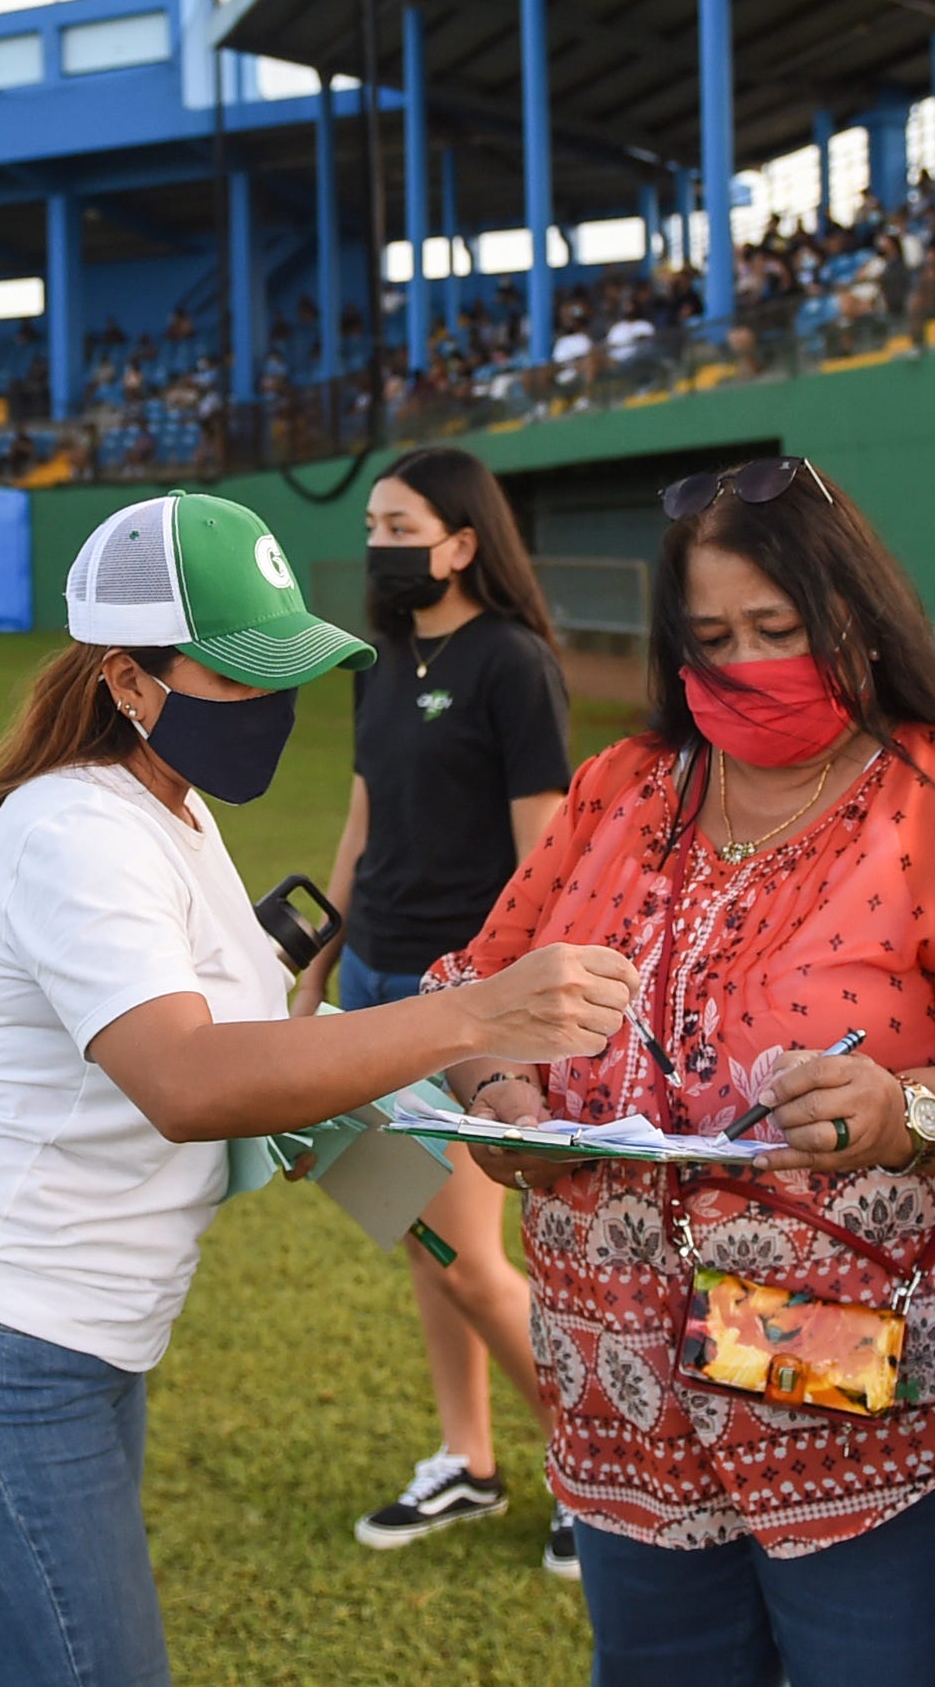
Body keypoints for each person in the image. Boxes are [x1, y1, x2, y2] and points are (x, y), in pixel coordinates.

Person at [0, 491, 638, 1687]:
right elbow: (188, 1081)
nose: (272, 709)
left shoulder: (176, 811)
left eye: (287, 677)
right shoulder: (76, 830)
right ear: (126, 681)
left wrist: (480, 1138)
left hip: (57, 1340)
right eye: (237, 680)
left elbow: (281, 1077)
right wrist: (472, 1014)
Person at [430, 458, 935, 1687]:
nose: (746, 661)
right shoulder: (621, 793)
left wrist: (904, 1114)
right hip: (625, 1397)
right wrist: (501, 1096)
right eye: (711, 636)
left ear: (856, 620)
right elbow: (479, 990)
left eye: (778, 629)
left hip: (862, 1381)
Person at [287, 448, 580, 1570]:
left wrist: (514, 1011)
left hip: (462, 1006)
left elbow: (544, 859)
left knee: (464, 1256)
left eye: (402, 523)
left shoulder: (514, 664)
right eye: (373, 523)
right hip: (371, 986)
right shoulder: (381, 659)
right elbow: (364, 814)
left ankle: (587, 1477)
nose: (381, 543)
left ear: (462, 542)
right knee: (419, 1237)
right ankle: (470, 1458)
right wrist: (325, 958)